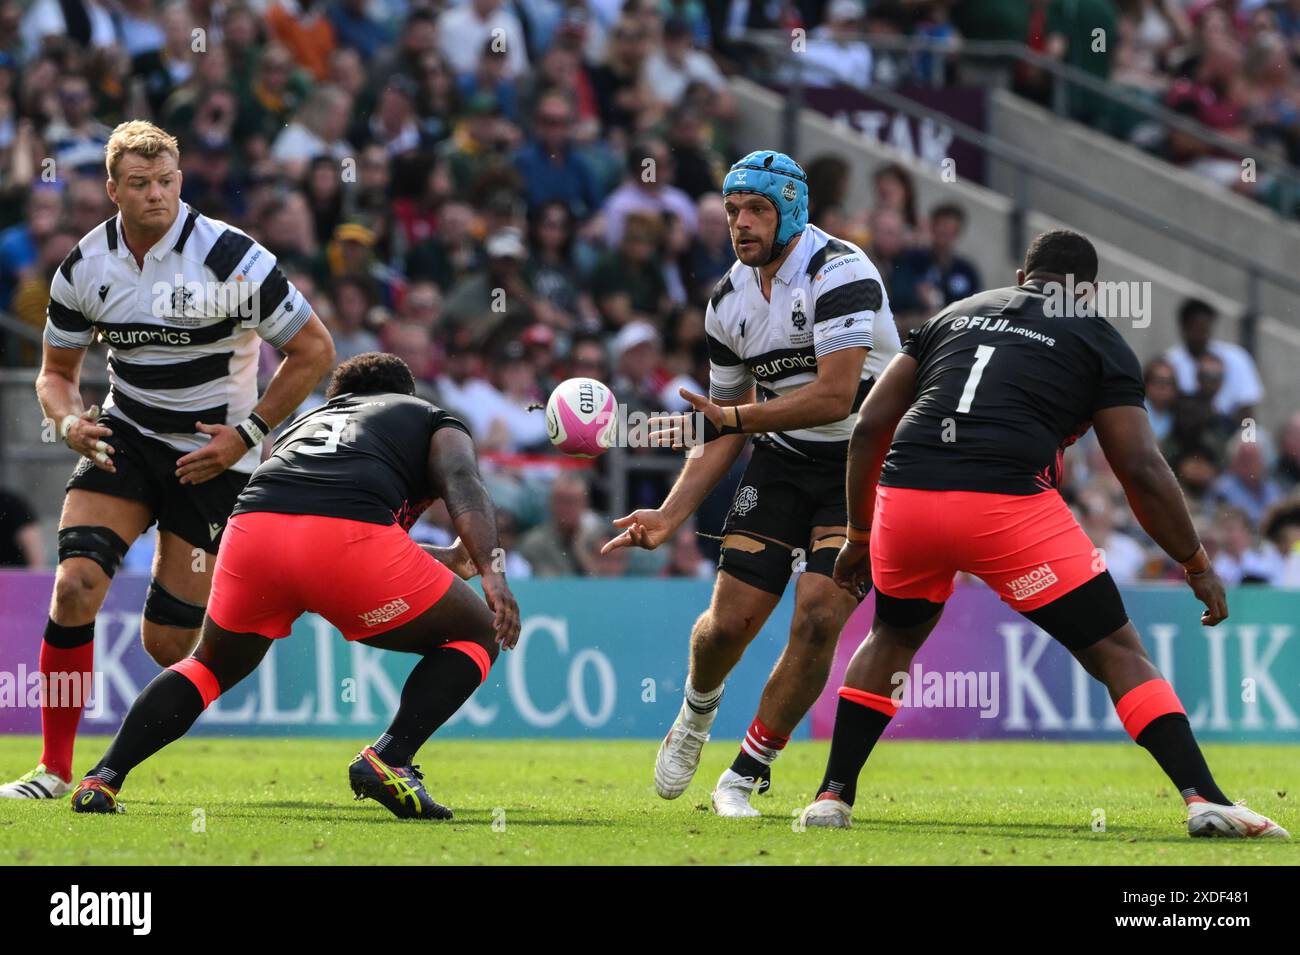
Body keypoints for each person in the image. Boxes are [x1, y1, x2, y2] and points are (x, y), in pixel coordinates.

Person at [800, 230, 1287, 839]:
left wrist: (856, 532)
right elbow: (1139, 468)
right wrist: (1195, 562)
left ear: (1022, 274)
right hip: (1003, 507)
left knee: (892, 638)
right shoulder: (1096, 335)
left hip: (907, 497)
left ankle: (831, 797)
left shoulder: (954, 313)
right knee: (1115, 651)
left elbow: (871, 423)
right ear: (1088, 290)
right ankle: (1204, 799)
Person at [0, 121, 336, 801]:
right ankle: (54, 767)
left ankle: (268, 605)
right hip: (125, 437)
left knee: (166, 643)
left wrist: (247, 436)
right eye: (140, 184)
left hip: (215, 457)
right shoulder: (85, 266)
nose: (156, 195)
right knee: (74, 587)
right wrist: (67, 419)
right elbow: (55, 371)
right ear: (111, 189)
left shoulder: (232, 258)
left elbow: (315, 350)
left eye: (166, 181)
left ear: (180, 179)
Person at [70, 353, 520, 817]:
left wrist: (447, 560)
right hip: (346, 541)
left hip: (252, 533)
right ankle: (391, 757)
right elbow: (462, 481)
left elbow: (331, 531)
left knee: (208, 666)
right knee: (477, 632)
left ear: (339, 398)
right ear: (403, 394)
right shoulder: (428, 416)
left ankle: (102, 778)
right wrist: (493, 569)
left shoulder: (302, 425)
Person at [603, 149, 900, 816]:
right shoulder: (726, 301)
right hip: (782, 460)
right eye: (734, 208)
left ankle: (746, 771)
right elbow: (721, 425)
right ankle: (696, 712)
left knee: (820, 616)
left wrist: (738, 414)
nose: (741, 222)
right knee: (727, 625)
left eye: (757, 209)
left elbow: (834, 395)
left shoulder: (842, 271)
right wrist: (672, 512)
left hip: (862, 463)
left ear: (790, 210)